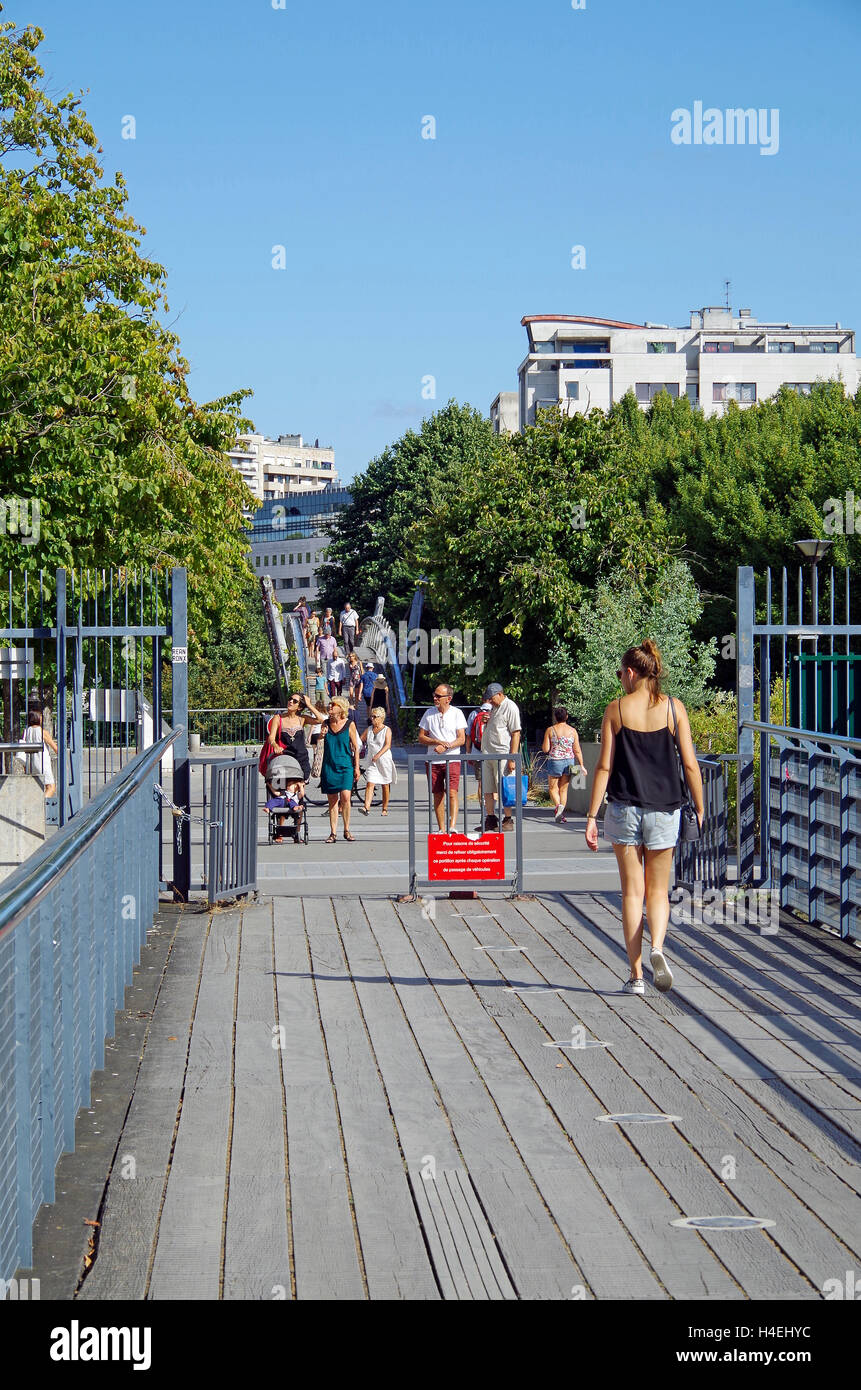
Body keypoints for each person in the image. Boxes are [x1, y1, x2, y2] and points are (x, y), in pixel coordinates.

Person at [584, 639, 704, 996]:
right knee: (658, 891)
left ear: (632, 673)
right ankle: (658, 948)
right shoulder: (673, 709)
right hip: (665, 809)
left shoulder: (616, 710)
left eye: (621, 673)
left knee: (631, 893)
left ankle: (636, 976)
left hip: (624, 809)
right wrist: (699, 806)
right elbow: (690, 764)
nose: (620, 679)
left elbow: (604, 766)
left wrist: (592, 815)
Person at [418, 683, 467, 831]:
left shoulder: (457, 713)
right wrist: (436, 741)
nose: (435, 698)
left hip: (452, 759)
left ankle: (452, 826)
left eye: (439, 696)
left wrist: (446, 746)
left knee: (452, 792)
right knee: (438, 794)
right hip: (433, 759)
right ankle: (442, 828)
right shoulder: (429, 713)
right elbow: (421, 737)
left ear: (448, 698)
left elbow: (461, 739)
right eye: (434, 695)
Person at [318, 696, 362, 842]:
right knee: (332, 800)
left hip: (345, 766)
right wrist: (321, 736)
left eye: (333, 704)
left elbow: (356, 747)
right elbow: (316, 745)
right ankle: (333, 832)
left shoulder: (350, 724)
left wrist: (357, 767)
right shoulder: (325, 723)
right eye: (329, 704)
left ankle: (347, 829)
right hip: (329, 766)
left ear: (341, 708)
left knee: (345, 797)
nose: (330, 706)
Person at [480, 682, 522, 832]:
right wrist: (486, 721)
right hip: (488, 753)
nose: (490, 701)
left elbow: (515, 732)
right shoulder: (494, 707)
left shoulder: (510, 707)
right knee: (488, 787)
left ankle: (508, 818)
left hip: (502, 753)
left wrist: (512, 757)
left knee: (503, 787)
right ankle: (491, 818)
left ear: (499, 694)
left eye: (491, 698)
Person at [263, 692, 327, 784]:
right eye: (290, 699)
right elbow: (271, 737)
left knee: (300, 789)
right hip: (285, 758)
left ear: (299, 707)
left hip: (301, 758)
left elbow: (320, 720)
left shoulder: (302, 719)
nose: (291, 702)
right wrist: (275, 746)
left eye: (295, 701)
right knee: (282, 788)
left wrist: (309, 705)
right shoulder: (278, 718)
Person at [541, 705, 587, 824]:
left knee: (552, 788)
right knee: (563, 789)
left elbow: (545, 749)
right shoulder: (573, 731)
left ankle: (558, 808)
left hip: (555, 761)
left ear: (556, 717)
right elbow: (577, 750)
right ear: (566, 717)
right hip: (569, 761)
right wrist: (581, 765)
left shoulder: (550, 730)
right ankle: (561, 812)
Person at [16, 707, 57, 797]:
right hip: (42, 762)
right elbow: (55, 748)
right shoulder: (43, 732)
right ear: (37, 718)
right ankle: (41, 806)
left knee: (38, 786)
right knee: (51, 787)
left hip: (31, 763)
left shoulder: (26, 731)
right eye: (41, 716)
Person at [360, 707, 394, 815]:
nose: (372, 718)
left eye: (375, 717)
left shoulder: (386, 730)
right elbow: (360, 740)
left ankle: (384, 809)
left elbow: (388, 745)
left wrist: (378, 755)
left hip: (384, 760)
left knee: (385, 784)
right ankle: (366, 807)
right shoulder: (369, 729)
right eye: (371, 716)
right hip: (371, 760)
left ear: (381, 718)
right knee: (370, 782)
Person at [266, 778, 305, 843]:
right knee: (273, 801)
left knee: (292, 802)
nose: (287, 786)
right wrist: (270, 786)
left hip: (291, 803)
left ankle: (296, 807)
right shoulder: (284, 793)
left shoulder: (296, 795)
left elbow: (302, 794)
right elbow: (276, 793)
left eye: (290, 786)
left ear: (296, 789)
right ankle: (268, 808)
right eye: (287, 785)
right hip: (282, 803)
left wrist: (301, 786)